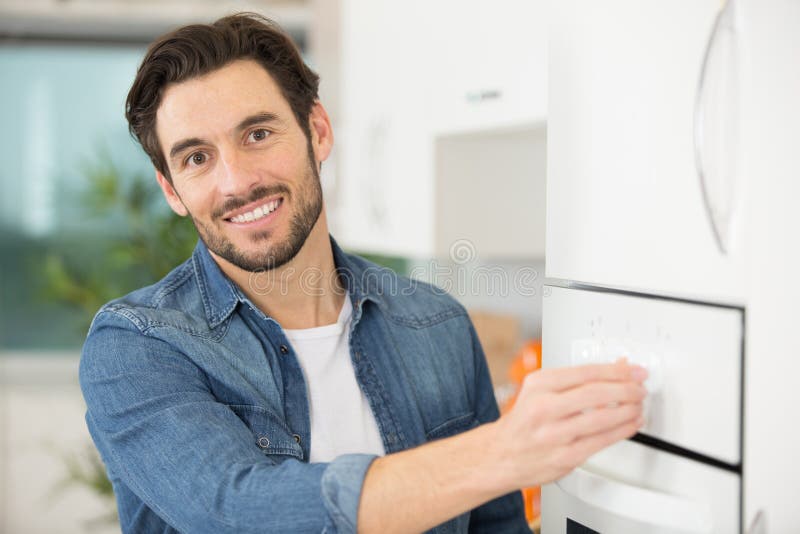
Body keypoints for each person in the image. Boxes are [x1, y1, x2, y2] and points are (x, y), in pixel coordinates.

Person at [79, 13, 647, 534]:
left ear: (318, 131)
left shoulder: (437, 324)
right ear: (172, 190)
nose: (236, 182)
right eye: (196, 158)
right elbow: (241, 510)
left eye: (257, 134)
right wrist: (507, 449)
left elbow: (494, 527)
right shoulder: (138, 345)